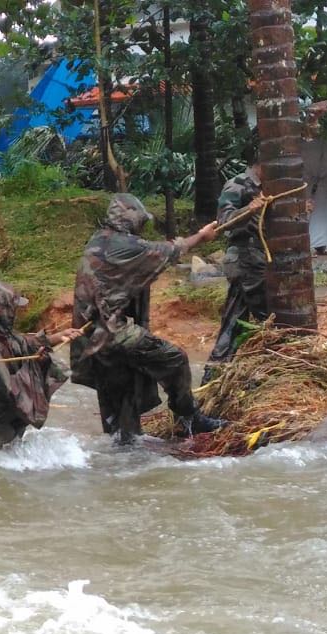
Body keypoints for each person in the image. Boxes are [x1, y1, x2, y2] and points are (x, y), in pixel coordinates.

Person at [70, 194, 225, 443]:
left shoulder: (100, 240)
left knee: (122, 405)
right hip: (110, 333)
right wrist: (201, 237)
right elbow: (166, 251)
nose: (142, 227)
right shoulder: (121, 245)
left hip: (94, 339)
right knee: (175, 359)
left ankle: (124, 458)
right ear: (128, 219)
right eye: (141, 222)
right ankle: (189, 418)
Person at [0, 280, 82, 453]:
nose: (16, 313)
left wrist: (58, 337)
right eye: (14, 308)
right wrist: (36, 370)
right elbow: (6, 389)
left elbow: (22, 343)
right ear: (4, 310)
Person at [207, 148, 269, 375]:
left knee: (234, 320)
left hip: (258, 261)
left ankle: (216, 373)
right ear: (261, 163)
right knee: (266, 317)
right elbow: (223, 222)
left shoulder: (269, 187)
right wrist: (247, 209)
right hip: (244, 260)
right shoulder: (237, 185)